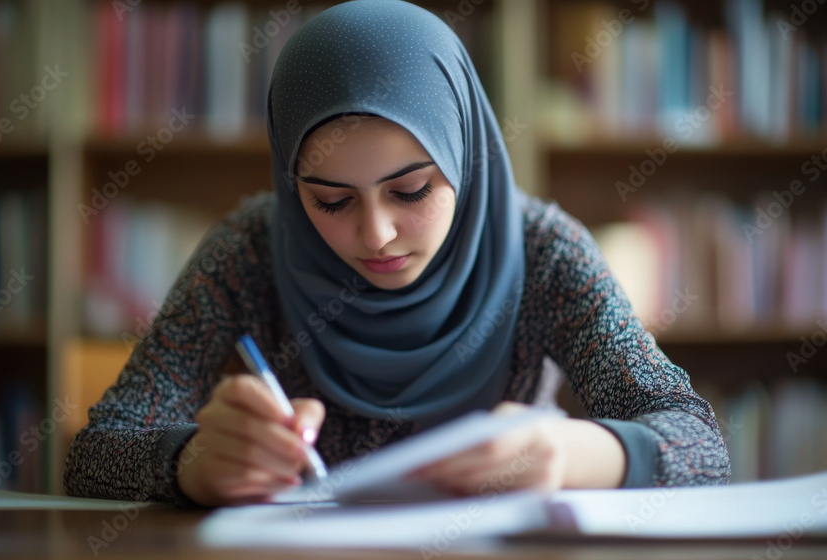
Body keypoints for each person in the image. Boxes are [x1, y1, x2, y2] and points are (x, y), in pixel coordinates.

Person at [64, 0, 730, 507]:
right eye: (330, 201)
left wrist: (573, 452)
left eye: (410, 190)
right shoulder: (247, 252)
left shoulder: (545, 253)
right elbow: (94, 454)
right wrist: (195, 462)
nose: (377, 234)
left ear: (465, 158)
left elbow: (702, 445)